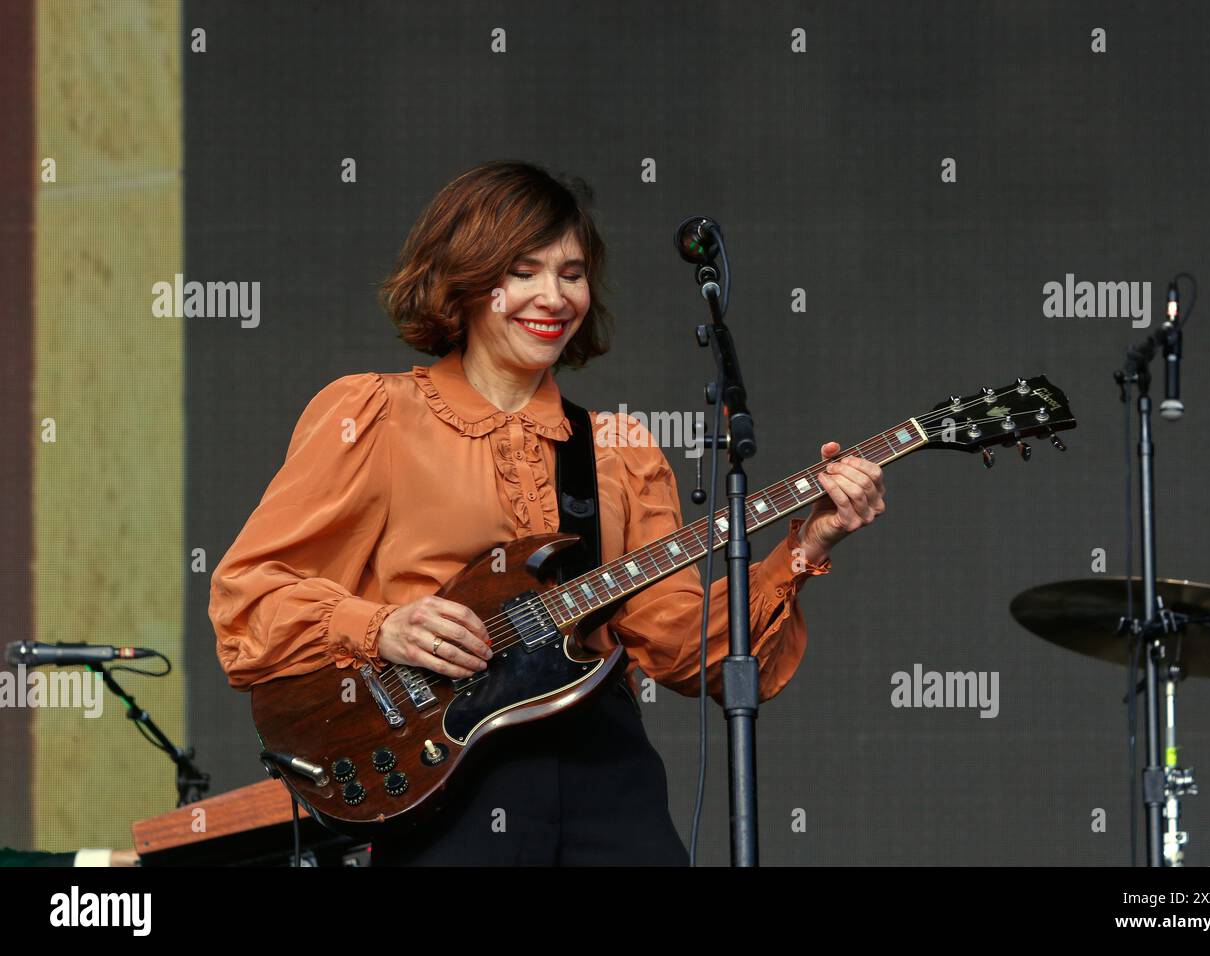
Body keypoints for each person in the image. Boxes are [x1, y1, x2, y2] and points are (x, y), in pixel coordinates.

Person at [208, 160, 886, 866]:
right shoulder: (376, 414)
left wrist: (806, 546)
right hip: (449, 777)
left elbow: (688, 652)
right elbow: (249, 596)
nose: (553, 295)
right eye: (523, 270)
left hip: (605, 776)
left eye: (571, 273)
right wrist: (384, 627)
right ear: (466, 281)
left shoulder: (618, 450)